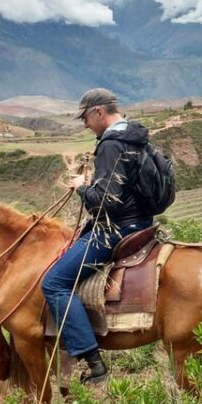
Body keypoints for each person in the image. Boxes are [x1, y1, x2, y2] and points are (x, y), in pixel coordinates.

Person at [41, 87, 154, 384]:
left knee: (53, 284)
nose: (85, 125)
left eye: (86, 119)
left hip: (115, 229)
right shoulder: (135, 135)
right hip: (142, 222)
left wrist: (81, 186)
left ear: (99, 113)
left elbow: (105, 203)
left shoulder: (110, 144)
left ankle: (93, 363)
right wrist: (96, 182)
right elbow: (123, 186)